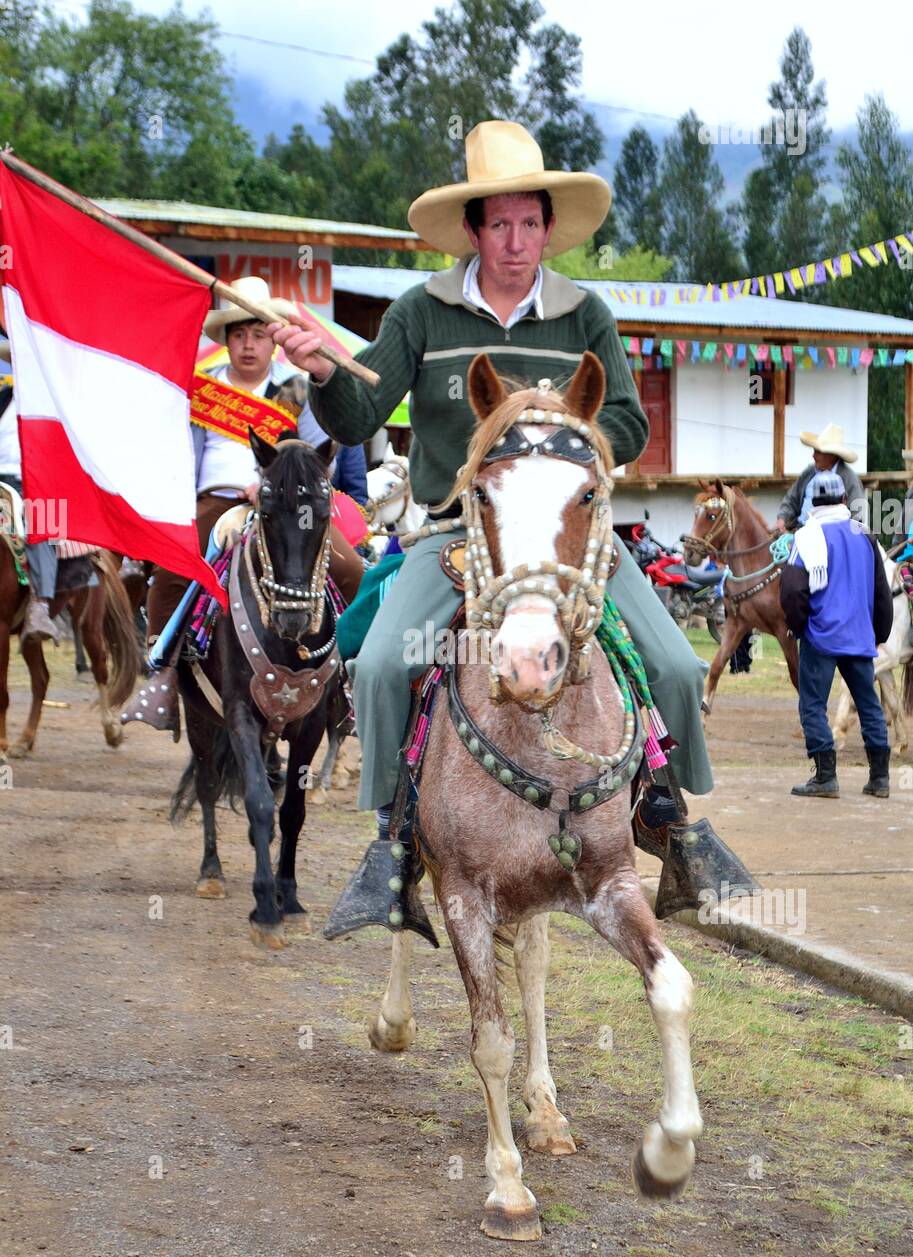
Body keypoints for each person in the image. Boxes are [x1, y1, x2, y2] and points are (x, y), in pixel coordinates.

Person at [272, 120, 727, 923]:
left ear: (547, 230)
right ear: (474, 230)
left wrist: (555, 439)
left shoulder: (585, 314)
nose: (515, 240)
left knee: (679, 667)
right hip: (458, 534)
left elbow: (626, 423)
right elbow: (358, 412)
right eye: (499, 224)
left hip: (565, 537)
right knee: (380, 662)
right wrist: (319, 373)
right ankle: (394, 840)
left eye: (529, 223)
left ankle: (668, 820)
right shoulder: (421, 312)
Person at [144, 277, 366, 650]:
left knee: (352, 570)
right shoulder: (200, 390)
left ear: (273, 342)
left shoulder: (299, 389)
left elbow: (319, 456)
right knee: (171, 571)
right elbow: (178, 456)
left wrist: (271, 484)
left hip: (291, 508)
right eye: (239, 334)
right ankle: (161, 670)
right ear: (227, 340)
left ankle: (354, 666)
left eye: (259, 334)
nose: (248, 345)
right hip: (214, 503)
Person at [780, 471, 893, 798]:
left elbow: (792, 591)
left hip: (821, 636)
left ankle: (826, 777)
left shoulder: (805, 537)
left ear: (812, 503)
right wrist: (878, 633)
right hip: (858, 635)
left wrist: (800, 627)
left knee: (813, 705)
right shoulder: (866, 535)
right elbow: (881, 592)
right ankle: (880, 779)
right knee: (869, 703)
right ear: (844, 500)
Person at [0, 342, 60, 646]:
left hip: (37, 482)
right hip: (0, 479)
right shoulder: (2, 399)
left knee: (47, 517)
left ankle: (41, 603)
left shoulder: (52, 405)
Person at [777, 423, 866, 532]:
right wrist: (782, 518)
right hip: (800, 529)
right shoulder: (809, 472)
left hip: (832, 534)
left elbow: (857, 516)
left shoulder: (849, 479)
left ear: (832, 455)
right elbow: (791, 499)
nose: (813, 456)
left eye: (818, 452)